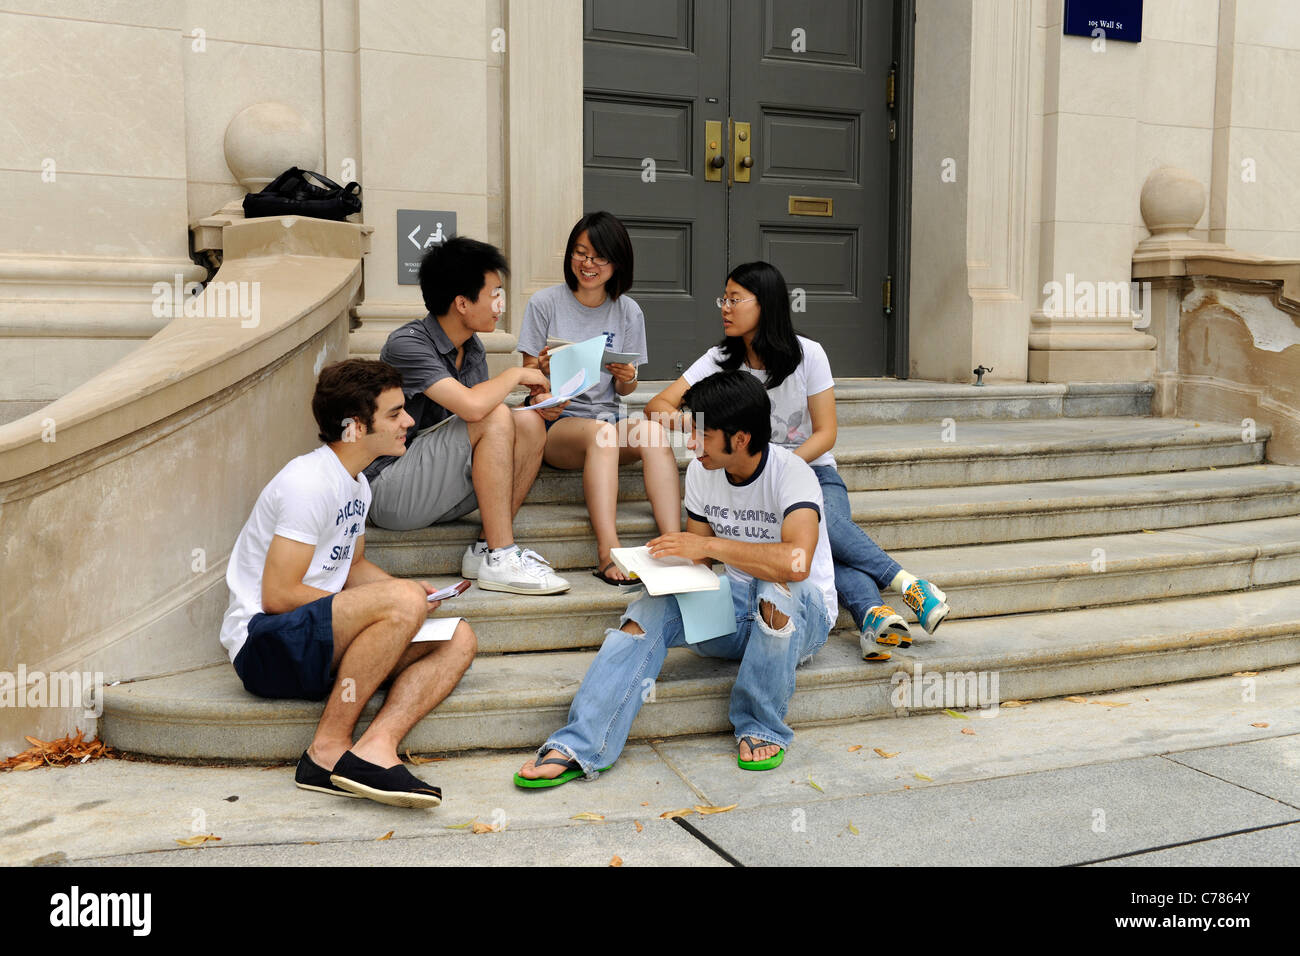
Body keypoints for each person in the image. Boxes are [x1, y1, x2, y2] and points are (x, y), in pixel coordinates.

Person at [515, 370, 836, 784]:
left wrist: (708, 548)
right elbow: (697, 564)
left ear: (739, 438)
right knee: (646, 612)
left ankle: (761, 726)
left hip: (803, 619)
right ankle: (582, 743)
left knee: (775, 588)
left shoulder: (791, 473)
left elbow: (796, 563)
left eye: (702, 434)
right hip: (741, 612)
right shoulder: (704, 471)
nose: (690, 444)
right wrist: (657, 569)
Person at [643, 261, 950, 661]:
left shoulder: (809, 354)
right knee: (815, 547)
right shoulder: (720, 358)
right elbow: (656, 406)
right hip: (745, 477)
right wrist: (706, 423)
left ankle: (885, 604)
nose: (725, 307)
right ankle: (892, 598)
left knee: (821, 533)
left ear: (765, 304)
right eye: (725, 298)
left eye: (736, 299)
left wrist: (782, 468)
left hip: (813, 471)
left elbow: (826, 432)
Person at [220, 359, 477, 809]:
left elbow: (351, 566)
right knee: (399, 600)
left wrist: (409, 595)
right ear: (357, 427)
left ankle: (375, 748)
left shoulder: (357, 485)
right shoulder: (308, 483)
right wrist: (389, 603)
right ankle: (325, 752)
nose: (409, 421)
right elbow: (278, 594)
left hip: (319, 637)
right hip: (264, 643)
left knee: (457, 637)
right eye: (395, 413)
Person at [365, 236, 570, 595]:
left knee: (528, 424)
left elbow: (479, 417)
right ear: (462, 302)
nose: (500, 306)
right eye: (494, 294)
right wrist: (514, 375)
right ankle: (504, 556)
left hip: (437, 483)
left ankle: (486, 548)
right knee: (494, 416)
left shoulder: (470, 346)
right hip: (389, 489)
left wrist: (536, 407)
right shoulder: (408, 344)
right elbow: (475, 410)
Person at [516, 211, 681, 586]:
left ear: (616, 262)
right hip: (559, 425)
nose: (587, 264)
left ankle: (674, 545)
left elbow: (625, 390)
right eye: (580, 253)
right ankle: (608, 554)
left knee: (653, 434)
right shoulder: (545, 303)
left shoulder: (628, 311)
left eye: (598, 257)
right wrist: (541, 371)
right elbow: (530, 378)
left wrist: (628, 377)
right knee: (602, 435)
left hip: (607, 419)